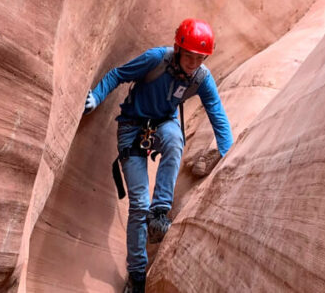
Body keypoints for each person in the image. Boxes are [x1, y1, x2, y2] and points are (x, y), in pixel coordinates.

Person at [83, 18, 234, 293]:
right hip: (132, 129)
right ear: (178, 49)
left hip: (164, 125)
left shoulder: (201, 78)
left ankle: (160, 213)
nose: (194, 63)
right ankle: (137, 275)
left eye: (200, 58)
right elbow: (118, 74)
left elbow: (216, 111)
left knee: (175, 139)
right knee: (139, 205)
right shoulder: (156, 59)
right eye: (189, 56)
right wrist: (95, 97)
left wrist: (228, 153)